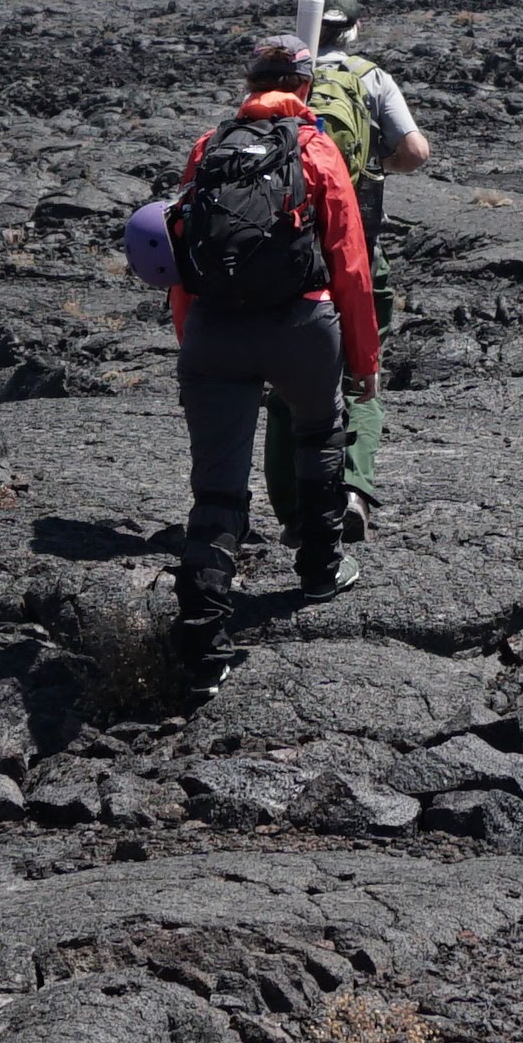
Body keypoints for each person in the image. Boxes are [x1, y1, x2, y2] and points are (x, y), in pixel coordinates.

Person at [168, 39, 380, 621]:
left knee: (217, 487)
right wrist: (364, 359)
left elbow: (182, 251)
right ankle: (319, 569)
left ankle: (203, 633)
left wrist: (195, 339)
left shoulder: (208, 148)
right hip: (301, 327)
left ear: (251, 84)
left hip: (216, 329)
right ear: (306, 88)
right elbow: (351, 265)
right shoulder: (317, 149)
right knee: (319, 439)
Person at [298, 0, 435, 533]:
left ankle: (295, 505)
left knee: (293, 378)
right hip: (354, 243)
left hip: (287, 248)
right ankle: (355, 490)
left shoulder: (285, 76)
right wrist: (375, 159)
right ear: (353, 28)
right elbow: (416, 153)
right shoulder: (369, 78)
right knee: (361, 374)